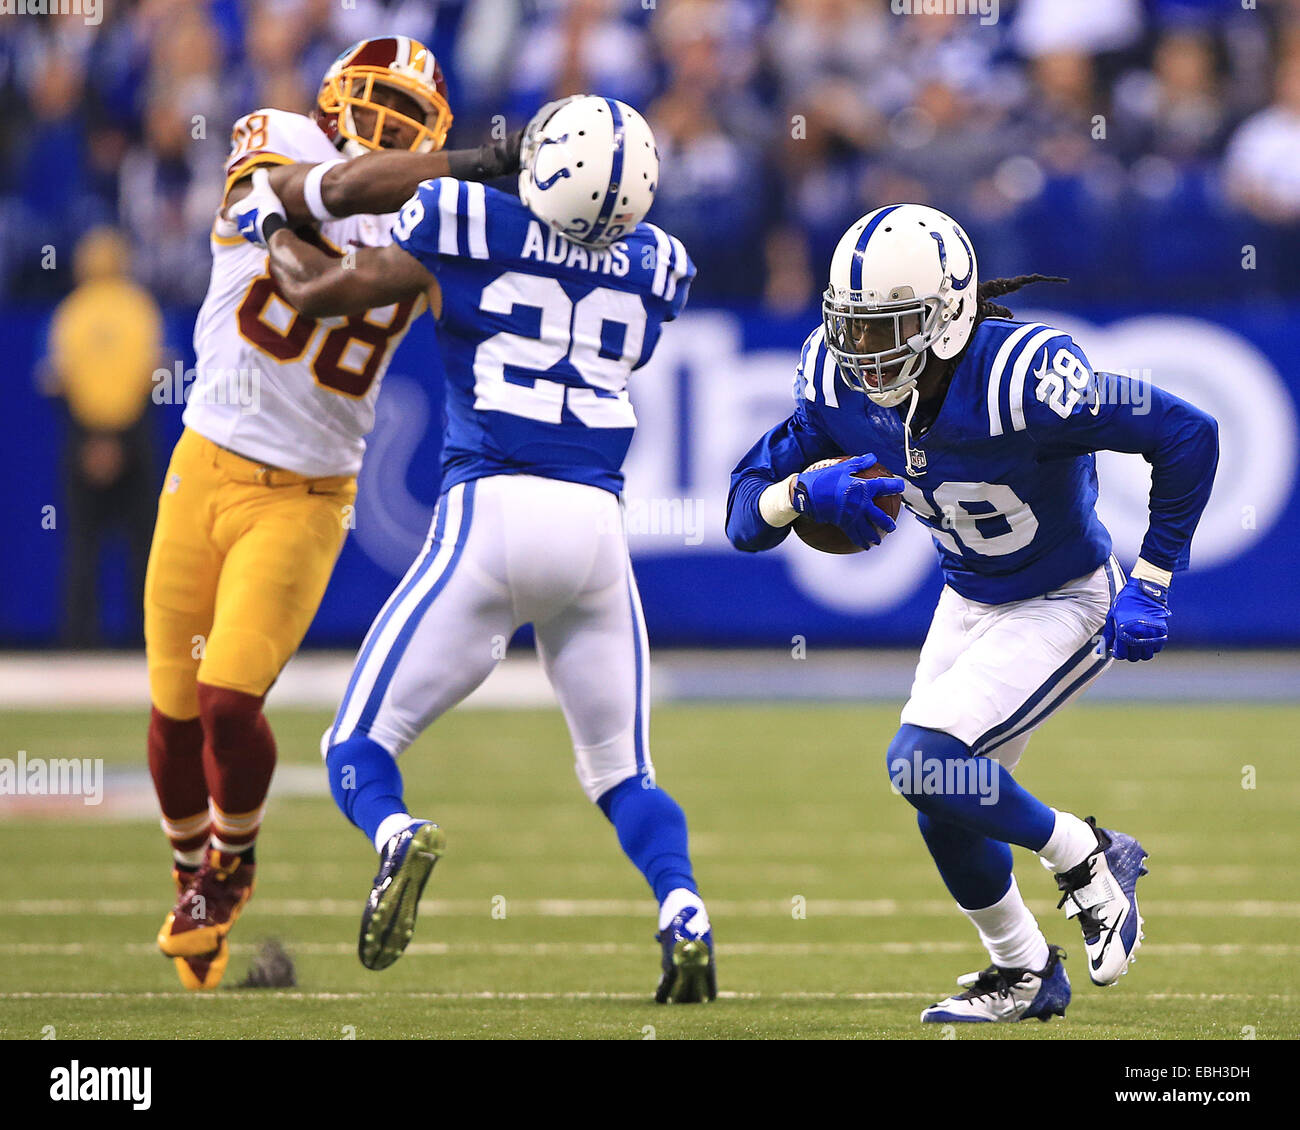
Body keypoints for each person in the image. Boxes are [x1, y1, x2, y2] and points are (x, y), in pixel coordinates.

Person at [238, 95, 717, 1003]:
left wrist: (270, 218)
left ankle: (393, 836)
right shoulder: (659, 267)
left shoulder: (472, 220)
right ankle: (683, 905)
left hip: (490, 513)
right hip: (595, 533)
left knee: (358, 743)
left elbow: (319, 293)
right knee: (623, 773)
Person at [726, 203, 1218, 1023]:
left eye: (892, 327)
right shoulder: (828, 381)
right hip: (966, 597)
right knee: (944, 795)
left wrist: (1155, 579)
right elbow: (745, 517)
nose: (865, 352)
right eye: (853, 327)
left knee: (921, 760)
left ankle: (1089, 854)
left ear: (948, 312)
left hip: (1063, 597)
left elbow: (1186, 433)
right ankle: (1025, 971)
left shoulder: (1026, 377)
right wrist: (798, 493)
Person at [147, 35, 521, 992]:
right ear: (333, 98)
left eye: (408, 119)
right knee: (171, 711)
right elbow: (339, 192)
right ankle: (192, 874)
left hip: (309, 491)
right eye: (378, 106)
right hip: (204, 464)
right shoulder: (278, 137)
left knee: (229, 698)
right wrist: (474, 162)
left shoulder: (435, 218)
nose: (387, 127)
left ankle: (231, 858)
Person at [47, 227, 162, 647]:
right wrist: (118, 438)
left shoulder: (71, 312)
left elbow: (56, 379)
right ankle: (151, 641)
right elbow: (152, 373)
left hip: (83, 436)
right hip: (134, 436)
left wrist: (94, 439)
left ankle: (78, 641)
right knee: (145, 545)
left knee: (82, 544)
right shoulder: (139, 307)